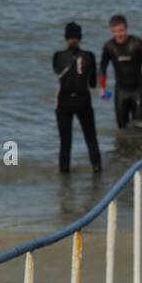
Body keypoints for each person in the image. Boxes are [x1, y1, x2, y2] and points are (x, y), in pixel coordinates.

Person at [52, 21, 103, 174]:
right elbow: (93, 84)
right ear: (80, 37)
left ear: (65, 37)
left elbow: (58, 74)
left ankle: (64, 175)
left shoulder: (57, 56)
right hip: (83, 100)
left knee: (65, 142)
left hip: (64, 101)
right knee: (91, 138)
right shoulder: (90, 56)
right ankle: (97, 169)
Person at [98, 15, 142, 129]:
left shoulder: (138, 44)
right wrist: (102, 88)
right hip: (121, 92)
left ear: (127, 29)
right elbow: (102, 67)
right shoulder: (109, 47)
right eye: (115, 31)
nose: (118, 34)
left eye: (121, 30)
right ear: (111, 31)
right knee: (121, 130)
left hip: (137, 92)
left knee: (139, 128)